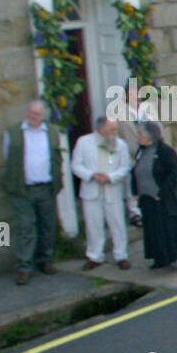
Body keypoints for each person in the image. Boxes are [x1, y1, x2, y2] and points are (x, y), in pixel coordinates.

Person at [0, 100, 64, 285]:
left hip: (46, 187)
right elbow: (8, 158)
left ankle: (45, 260)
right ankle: (24, 267)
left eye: (36, 113)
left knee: (47, 226)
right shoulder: (13, 132)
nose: (31, 116)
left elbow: (56, 158)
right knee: (26, 227)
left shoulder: (52, 132)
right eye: (30, 112)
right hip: (23, 189)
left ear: (43, 116)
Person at [71, 113, 132, 270]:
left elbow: (125, 167)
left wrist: (110, 177)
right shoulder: (83, 142)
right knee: (93, 225)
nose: (114, 132)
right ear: (100, 128)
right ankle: (95, 256)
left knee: (117, 224)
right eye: (111, 129)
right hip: (91, 190)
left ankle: (121, 255)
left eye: (115, 129)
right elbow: (76, 165)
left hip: (112, 190)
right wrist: (92, 175)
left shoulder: (120, 145)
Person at [131, 119, 177, 274]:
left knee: (172, 229)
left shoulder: (166, 151)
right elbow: (135, 171)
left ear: (150, 136)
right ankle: (161, 258)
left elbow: (173, 173)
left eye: (140, 134)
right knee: (154, 230)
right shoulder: (140, 151)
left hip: (164, 199)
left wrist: (161, 193)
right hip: (147, 198)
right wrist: (135, 191)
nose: (138, 137)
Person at [118, 79, 156, 227]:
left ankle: (149, 208)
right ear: (126, 96)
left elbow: (157, 127)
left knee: (148, 180)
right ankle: (135, 213)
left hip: (148, 151)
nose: (135, 96)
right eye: (131, 93)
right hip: (130, 153)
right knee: (131, 183)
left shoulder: (148, 109)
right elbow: (118, 136)